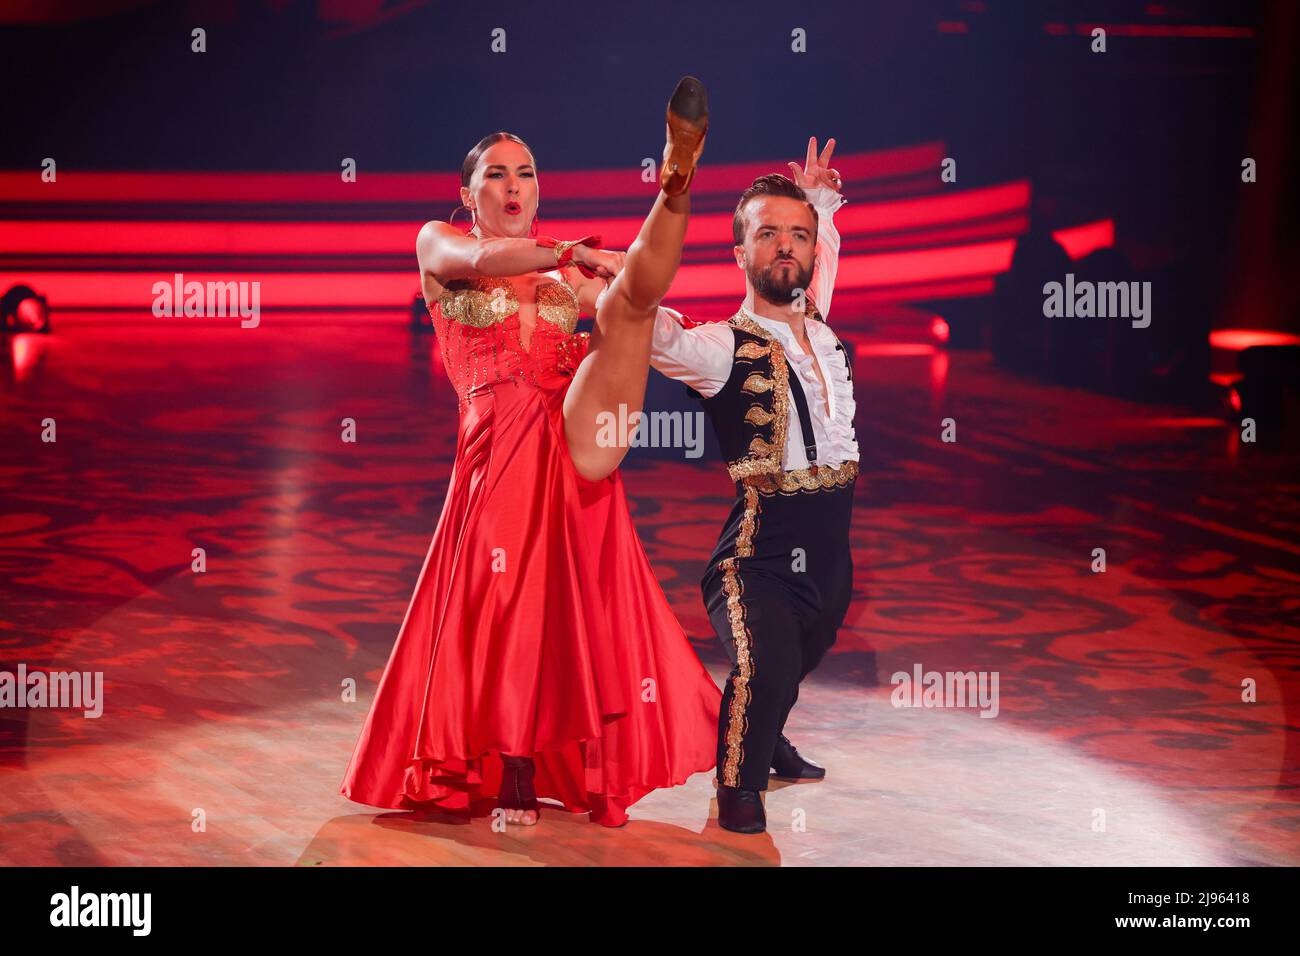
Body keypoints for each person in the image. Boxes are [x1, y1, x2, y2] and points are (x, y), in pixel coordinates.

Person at [340, 77, 721, 828]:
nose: (514, 186)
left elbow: (637, 291)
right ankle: (512, 757)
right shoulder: (438, 243)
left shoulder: (563, 269)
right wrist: (572, 255)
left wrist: (603, 272)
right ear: (467, 192)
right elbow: (483, 265)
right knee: (510, 600)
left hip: (572, 427)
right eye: (497, 175)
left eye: (526, 174)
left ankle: (676, 180)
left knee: (631, 303)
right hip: (496, 446)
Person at [644, 139, 855, 833]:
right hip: (758, 555)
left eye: (798, 237)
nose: (786, 247)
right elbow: (655, 335)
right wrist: (623, 285)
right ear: (740, 253)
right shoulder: (719, 346)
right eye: (768, 235)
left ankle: (772, 738)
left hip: (832, 552)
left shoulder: (818, 326)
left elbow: (820, 262)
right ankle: (740, 786)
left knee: (798, 659)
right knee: (765, 663)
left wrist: (819, 201)